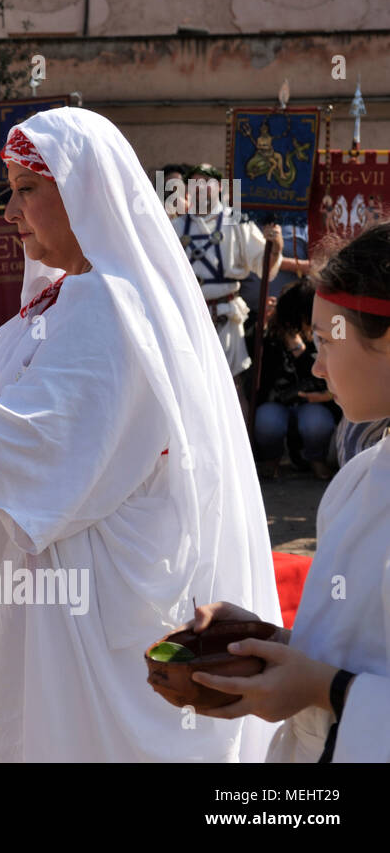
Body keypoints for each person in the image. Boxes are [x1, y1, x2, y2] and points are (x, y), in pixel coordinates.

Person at [0, 108, 281, 761]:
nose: (10, 211)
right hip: (60, 610)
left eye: (27, 188)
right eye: (10, 188)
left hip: (103, 620)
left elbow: (7, 447)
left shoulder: (111, 307)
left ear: (85, 193)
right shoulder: (62, 301)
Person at [189, 223, 390, 762]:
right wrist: (274, 647)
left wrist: (322, 690)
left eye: (326, 340)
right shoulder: (358, 478)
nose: (317, 364)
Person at [175, 162, 283, 380]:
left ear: (220, 188)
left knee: (231, 386)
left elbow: (263, 264)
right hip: (187, 319)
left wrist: (276, 246)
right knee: (190, 383)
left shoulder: (237, 220)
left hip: (226, 317)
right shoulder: (176, 226)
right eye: (194, 182)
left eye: (206, 182)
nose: (200, 187)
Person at [252, 279, 337, 480]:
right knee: (267, 423)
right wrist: (262, 325)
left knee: (317, 423)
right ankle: (270, 460)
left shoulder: (322, 333)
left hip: (312, 401)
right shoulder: (271, 332)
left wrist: (300, 351)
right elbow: (255, 366)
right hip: (276, 401)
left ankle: (316, 459)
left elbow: (320, 374)